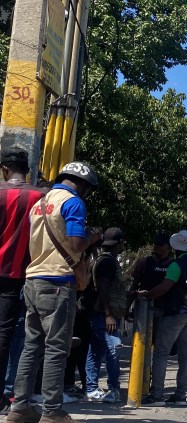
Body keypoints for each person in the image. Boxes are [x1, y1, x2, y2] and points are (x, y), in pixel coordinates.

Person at [6, 161, 102, 423]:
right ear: (82, 184)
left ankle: (20, 408)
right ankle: (52, 411)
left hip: (33, 280)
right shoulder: (73, 203)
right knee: (57, 349)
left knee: (31, 347)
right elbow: (75, 243)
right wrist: (91, 238)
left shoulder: (40, 203)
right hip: (58, 282)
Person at [0, 147, 46, 414]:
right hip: (31, 276)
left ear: (5, 169)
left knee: (4, 335)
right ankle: (15, 395)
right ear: (27, 171)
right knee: (25, 337)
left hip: (4, 275)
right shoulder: (41, 197)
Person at [139, 230, 187, 407]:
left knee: (161, 352)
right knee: (185, 355)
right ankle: (181, 395)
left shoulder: (177, 265)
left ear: (177, 246)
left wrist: (148, 294)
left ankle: (157, 396)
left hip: (176, 312)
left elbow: (164, 287)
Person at [85, 228, 127, 403]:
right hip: (104, 315)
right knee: (113, 350)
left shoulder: (106, 261)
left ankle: (92, 389)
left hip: (101, 314)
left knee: (96, 351)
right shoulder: (106, 263)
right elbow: (102, 289)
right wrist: (108, 315)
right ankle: (112, 388)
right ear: (118, 243)